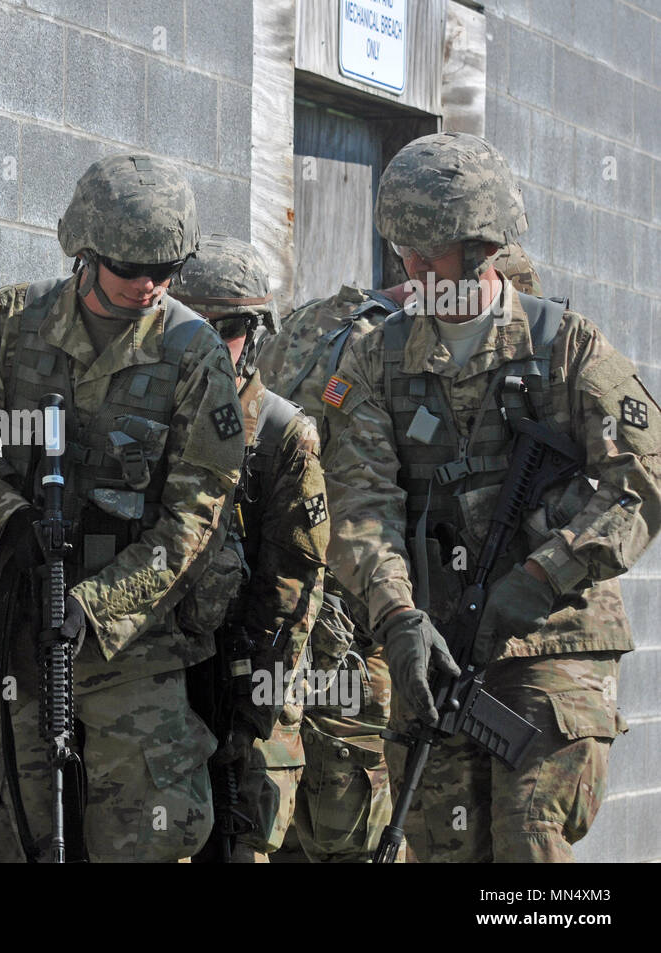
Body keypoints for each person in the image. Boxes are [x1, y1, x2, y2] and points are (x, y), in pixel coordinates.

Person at [321, 131, 661, 862]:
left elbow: (643, 477)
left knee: (527, 836)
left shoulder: (564, 346)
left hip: (554, 641)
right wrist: (398, 616)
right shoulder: (375, 357)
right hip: (441, 641)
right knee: (443, 841)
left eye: (426, 252)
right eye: (401, 251)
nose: (409, 268)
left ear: (481, 248)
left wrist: (544, 574)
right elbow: (361, 502)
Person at [0, 154, 245, 862]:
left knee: (145, 838)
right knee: (19, 834)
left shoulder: (194, 352)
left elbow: (199, 512)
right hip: (27, 625)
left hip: (137, 645)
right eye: (132, 267)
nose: (150, 284)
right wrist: (7, 524)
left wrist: (97, 605)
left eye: (167, 268)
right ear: (86, 253)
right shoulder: (7, 323)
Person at [255, 243, 542, 863]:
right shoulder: (398, 358)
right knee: (372, 818)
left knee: (284, 802)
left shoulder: (315, 320)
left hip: (282, 607)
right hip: (369, 621)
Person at [169, 235, 328, 863]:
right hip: (167, 676)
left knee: (242, 842)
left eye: (229, 327)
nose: (212, 341)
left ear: (256, 333)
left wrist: (255, 690)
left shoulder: (283, 433)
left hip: (250, 677)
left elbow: (295, 581)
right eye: (193, 325)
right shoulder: (153, 417)